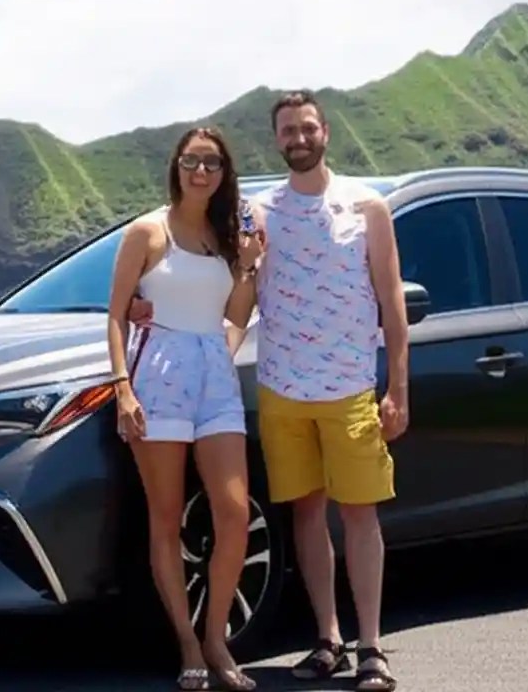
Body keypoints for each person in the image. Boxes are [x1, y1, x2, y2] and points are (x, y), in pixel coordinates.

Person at [128, 91, 409, 691]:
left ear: (326, 131)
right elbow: (237, 293)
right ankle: (327, 639)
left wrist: (398, 387)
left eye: (308, 127)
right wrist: (153, 313)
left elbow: (391, 301)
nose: (299, 137)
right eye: (288, 130)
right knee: (306, 514)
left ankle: (372, 648)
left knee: (360, 515)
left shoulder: (368, 208)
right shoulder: (259, 214)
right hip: (282, 387)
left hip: (352, 386)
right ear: (277, 139)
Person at [106, 126, 264, 691]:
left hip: (214, 374)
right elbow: (117, 315)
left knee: (234, 513)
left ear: (225, 173)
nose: (201, 172)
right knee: (166, 517)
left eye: (213, 163)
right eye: (192, 161)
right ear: (175, 166)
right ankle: (188, 643)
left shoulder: (228, 236)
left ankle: (217, 635)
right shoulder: (147, 233)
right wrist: (123, 388)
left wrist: (247, 266)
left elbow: (238, 313)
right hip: (158, 373)